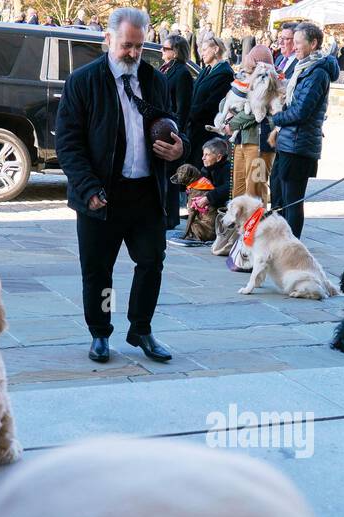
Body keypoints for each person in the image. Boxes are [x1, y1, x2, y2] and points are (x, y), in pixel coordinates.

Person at [55, 7, 185, 365]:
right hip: (101, 194)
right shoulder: (83, 81)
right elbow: (68, 144)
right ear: (108, 39)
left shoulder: (154, 79)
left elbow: (172, 123)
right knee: (100, 271)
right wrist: (87, 188)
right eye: (126, 45)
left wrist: (179, 146)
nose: (132, 53)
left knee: (151, 262)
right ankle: (100, 332)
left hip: (146, 192)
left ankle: (141, 327)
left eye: (139, 47)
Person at [267, 21, 338, 239]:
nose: (294, 46)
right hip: (289, 142)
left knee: (293, 202)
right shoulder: (304, 68)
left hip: (299, 145)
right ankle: (280, 244)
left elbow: (301, 111)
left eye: (298, 42)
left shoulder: (317, 72)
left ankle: (290, 247)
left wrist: (274, 117)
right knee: (280, 197)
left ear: (313, 43)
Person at [226, 43, 277, 204]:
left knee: (255, 191)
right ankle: (240, 227)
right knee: (238, 190)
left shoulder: (268, 80)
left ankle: (256, 227)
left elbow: (258, 111)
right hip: (242, 140)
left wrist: (232, 124)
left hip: (260, 142)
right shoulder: (246, 78)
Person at [159, 33, 193, 230]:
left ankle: (170, 217)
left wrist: (175, 130)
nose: (162, 51)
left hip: (172, 128)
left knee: (170, 175)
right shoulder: (165, 68)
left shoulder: (182, 73)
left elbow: (183, 107)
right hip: (163, 124)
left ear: (176, 51)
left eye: (166, 48)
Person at [187, 33, 232, 170]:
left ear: (216, 49)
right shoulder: (207, 69)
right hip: (196, 127)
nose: (202, 53)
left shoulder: (225, 73)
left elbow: (213, 104)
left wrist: (191, 113)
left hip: (208, 130)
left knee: (202, 170)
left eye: (205, 49)